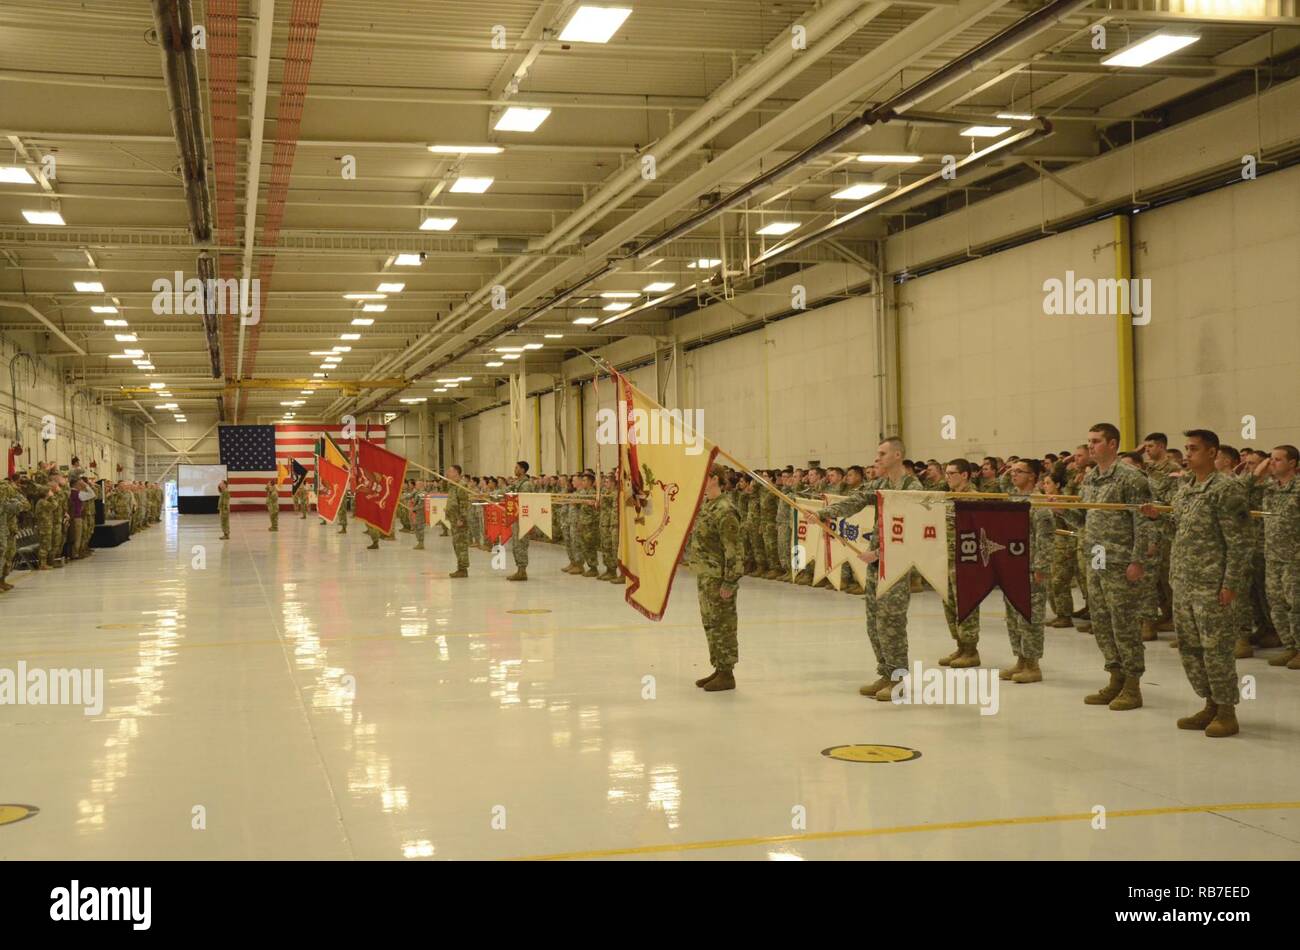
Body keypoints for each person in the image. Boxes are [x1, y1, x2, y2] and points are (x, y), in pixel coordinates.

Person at [1142, 430, 1249, 737]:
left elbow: (1240, 541)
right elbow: (1177, 528)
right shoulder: (1186, 487)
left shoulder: (1227, 489)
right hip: (1184, 581)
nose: (1187, 454)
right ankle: (1210, 703)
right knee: (1190, 648)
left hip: (1212, 584)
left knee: (1216, 649)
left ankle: (1227, 711)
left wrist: (1230, 583)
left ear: (1213, 453)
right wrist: (1155, 518)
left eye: (1194, 449)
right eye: (1186, 448)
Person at [817, 437, 924, 702]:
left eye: (882, 453)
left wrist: (879, 553)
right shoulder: (880, 485)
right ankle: (885, 672)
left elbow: (914, 533)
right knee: (874, 622)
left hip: (896, 565)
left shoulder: (912, 488)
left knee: (892, 623)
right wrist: (825, 513)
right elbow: (855, 500)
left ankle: (899, 679)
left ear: (898, 455)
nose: (877, 458)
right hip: (877, 564)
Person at [1067, 423, 1156, 711]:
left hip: (1120, 561)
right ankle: (1115, 677)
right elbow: (1085, 520)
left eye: (1096, 441)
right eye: (1089, 441)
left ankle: (1133, 685)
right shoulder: (1091, 478)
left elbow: (1143, 523)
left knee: (1124, 623)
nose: (1090, 446)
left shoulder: (1131, 478)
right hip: (1096, 557)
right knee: (1102, 623)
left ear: (1113, 444)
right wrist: (1062, 511)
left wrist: (1137, 560)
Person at [692, 464, 744, 692]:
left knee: (723, 625)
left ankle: (727, 673)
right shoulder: (708, 506)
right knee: (711, 624)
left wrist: (730, 582)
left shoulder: (725, 509)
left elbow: (734, 550)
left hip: (719, 578)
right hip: (706, 575)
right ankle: (719, 667)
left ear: (714, 479)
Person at [1246, 446, 1300, 668]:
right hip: (1273, 555)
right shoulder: (1269, 488)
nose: (1272, 463)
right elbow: (1241, 493)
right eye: (1271, 459)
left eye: (1278, 460)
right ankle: (1291, 646)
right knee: (1276, 604)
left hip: (1295, 557)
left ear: (1293, 463)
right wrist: (1257, 472)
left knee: (1296, 603)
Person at [1001, 459, 1054, 684]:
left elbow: (1046, 538)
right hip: (1012, 565)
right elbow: (1001, 482)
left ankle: (1033, 664)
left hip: (1031, 566)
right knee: (1013, 616)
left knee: (1030, 617)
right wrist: (1010, 467)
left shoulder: (1038, 503)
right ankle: (1021, 659)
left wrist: (1041, 566)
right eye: (1012, 472)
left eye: (1019, 472)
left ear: (1032, 476)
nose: (1013, 475)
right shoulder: (1013, 498)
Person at [940, 459, 981, 668]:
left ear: (964, 475)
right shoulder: (948, 497)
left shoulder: (973, 499)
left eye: (951, 473)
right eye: (946, 473)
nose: (947, 477)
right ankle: (961, 645)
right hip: (945, 559)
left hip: (965, 560)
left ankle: (971, 649)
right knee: (950, 604)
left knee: (966, 604)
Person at [445, 464, 471, 577]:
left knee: (461, 545)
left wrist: (462, 518)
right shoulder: (453, 485)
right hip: (454, 519)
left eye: (449, 471)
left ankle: (463, 569)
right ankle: (460, 567)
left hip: (460, 521)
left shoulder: (461, 486)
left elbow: (464, 504)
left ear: (456, 472)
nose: (447, 473)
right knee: (457, 544)